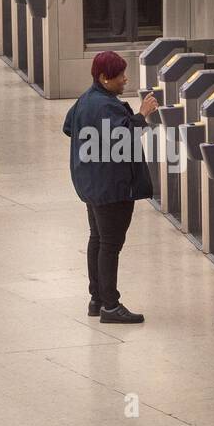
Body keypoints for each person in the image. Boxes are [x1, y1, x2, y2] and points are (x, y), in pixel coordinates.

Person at [63, 51, 159, 324]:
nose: (125, 79)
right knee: (110, 245)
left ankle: (97, 299)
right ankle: (111, 305)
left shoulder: (86, 99)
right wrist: (141, 115)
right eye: (120, 76)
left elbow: (69, 127)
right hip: (111, 187)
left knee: (98, 239)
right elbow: (123, 138)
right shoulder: (105, 106)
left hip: (91, 184)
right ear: (104, 78)